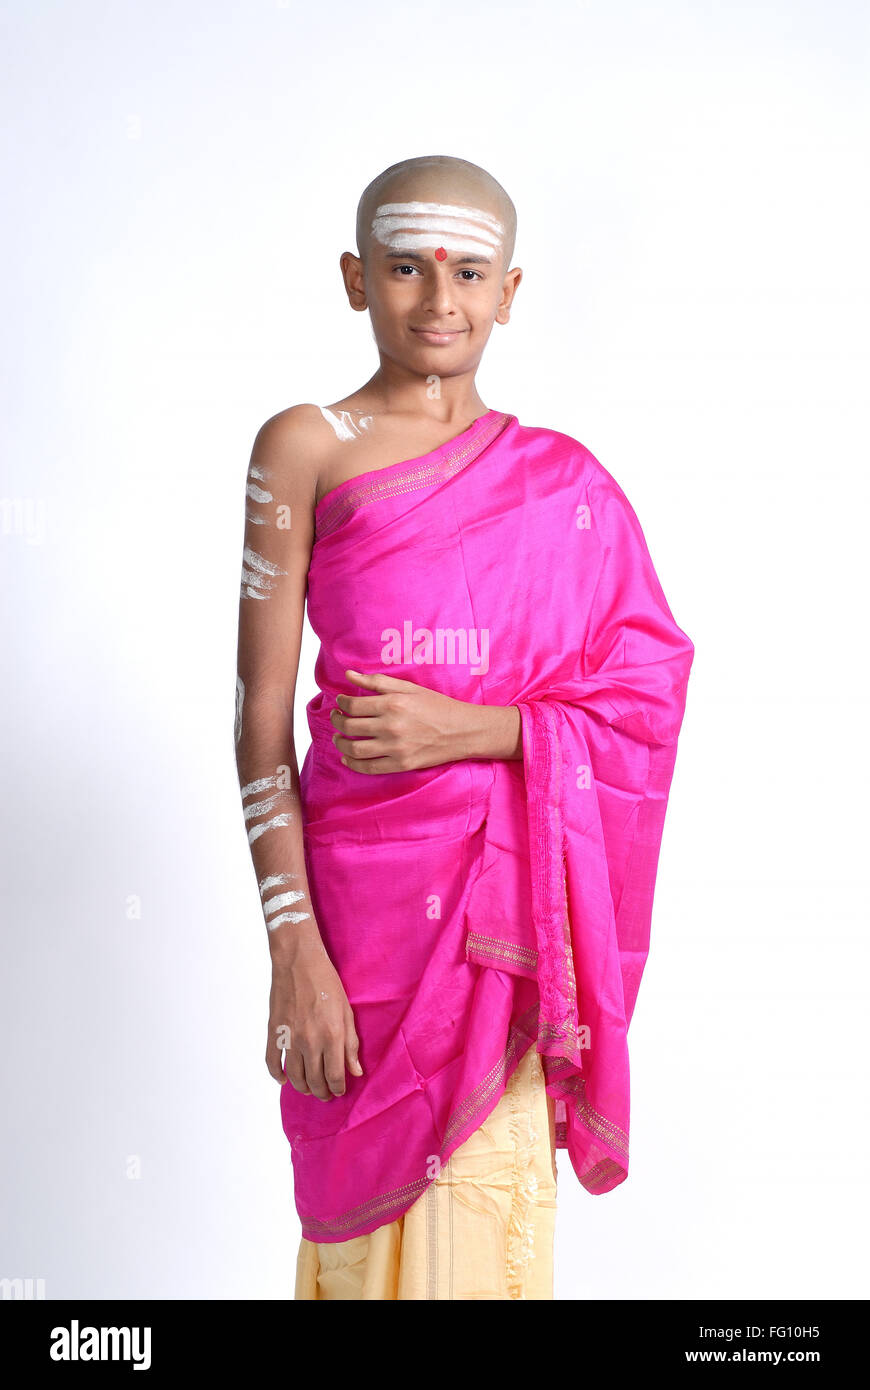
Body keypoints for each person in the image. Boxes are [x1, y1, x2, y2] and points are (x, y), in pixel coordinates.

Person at [233, 154, 694, 1301]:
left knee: (481, 1238)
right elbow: (258, 721)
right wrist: (293, 949)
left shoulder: (565, 486)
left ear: (509, 291)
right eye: (406, 268)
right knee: (355, 1251)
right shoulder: (305, 445)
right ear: (356, 278)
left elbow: (646, 693)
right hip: (359, 937)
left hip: (500, 942)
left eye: (470, 273)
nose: (440, 299)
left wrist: (481, 730)